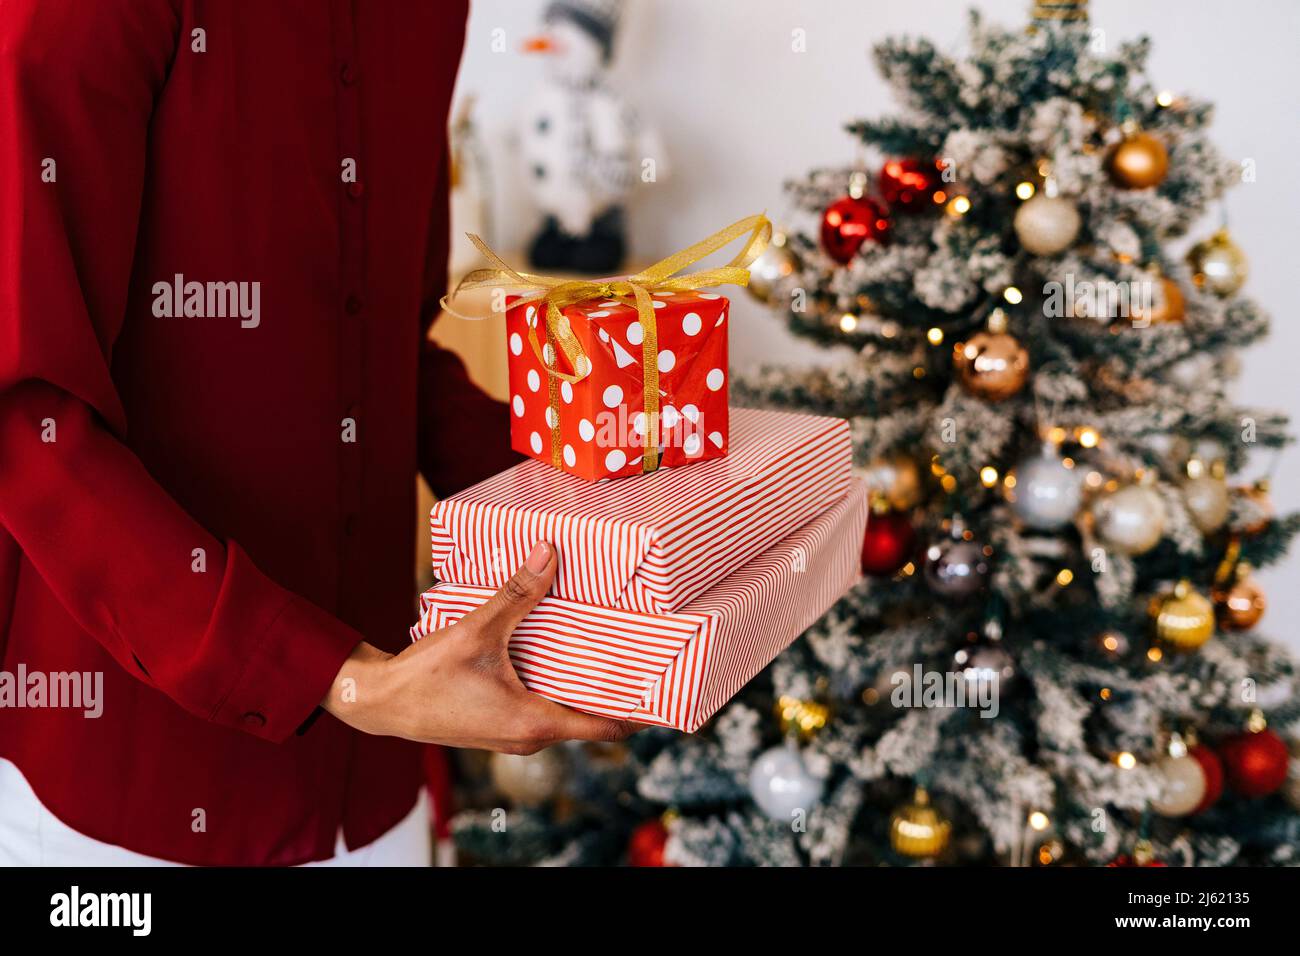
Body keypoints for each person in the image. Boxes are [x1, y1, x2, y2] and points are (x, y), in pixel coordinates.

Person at [0, 0, 631, 867]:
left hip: (379, 791)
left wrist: (620, 512)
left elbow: (391, 354)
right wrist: (339, 679)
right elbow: (31, 419)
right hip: (133, 802)